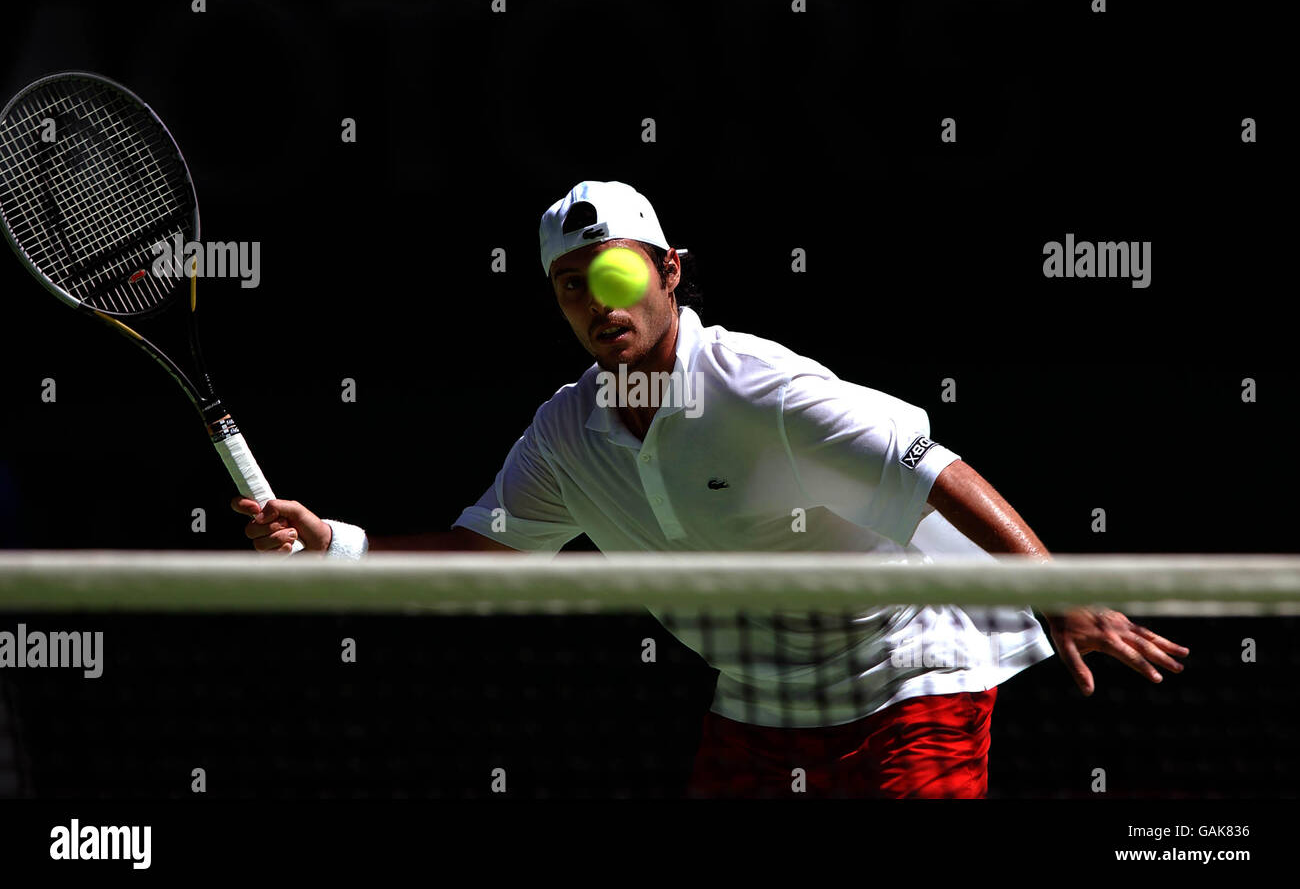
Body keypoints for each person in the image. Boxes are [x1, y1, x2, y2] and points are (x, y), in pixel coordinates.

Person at [232, 179, 1189, 798]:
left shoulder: (761, 389)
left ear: (670, 273)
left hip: (908, 670)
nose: (597, 300)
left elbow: (932, 468)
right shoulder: (567, 433)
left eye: (612, 271)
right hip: (760, 696)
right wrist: (335, 541)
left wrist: (1061, 596)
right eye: (569, 285)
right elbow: (488, 550)